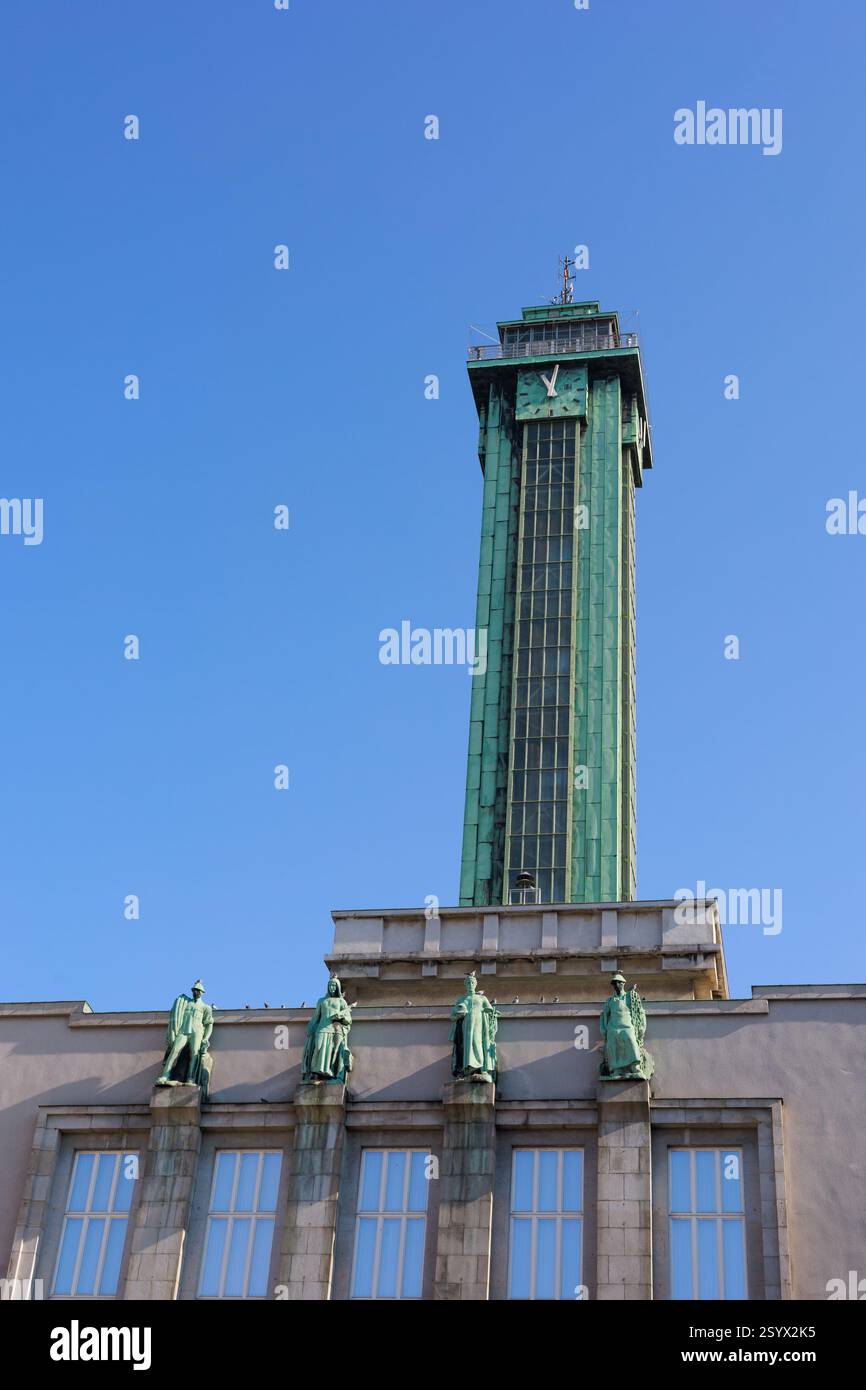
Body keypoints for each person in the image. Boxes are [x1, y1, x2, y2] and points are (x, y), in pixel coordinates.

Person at [156, 979, 214, 1097]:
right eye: (194, 990)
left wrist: (206, 1038)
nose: (196, 992)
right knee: (174, 1051)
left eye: (198, 991)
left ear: (202, 993)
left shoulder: (206, 1007)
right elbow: (177, 1015)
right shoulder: (186, 1003)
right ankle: (165, 1075)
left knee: (194, 1054)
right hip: (183, 1030)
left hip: (197, 1032)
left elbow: (209, 1024)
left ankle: (190, 1078)